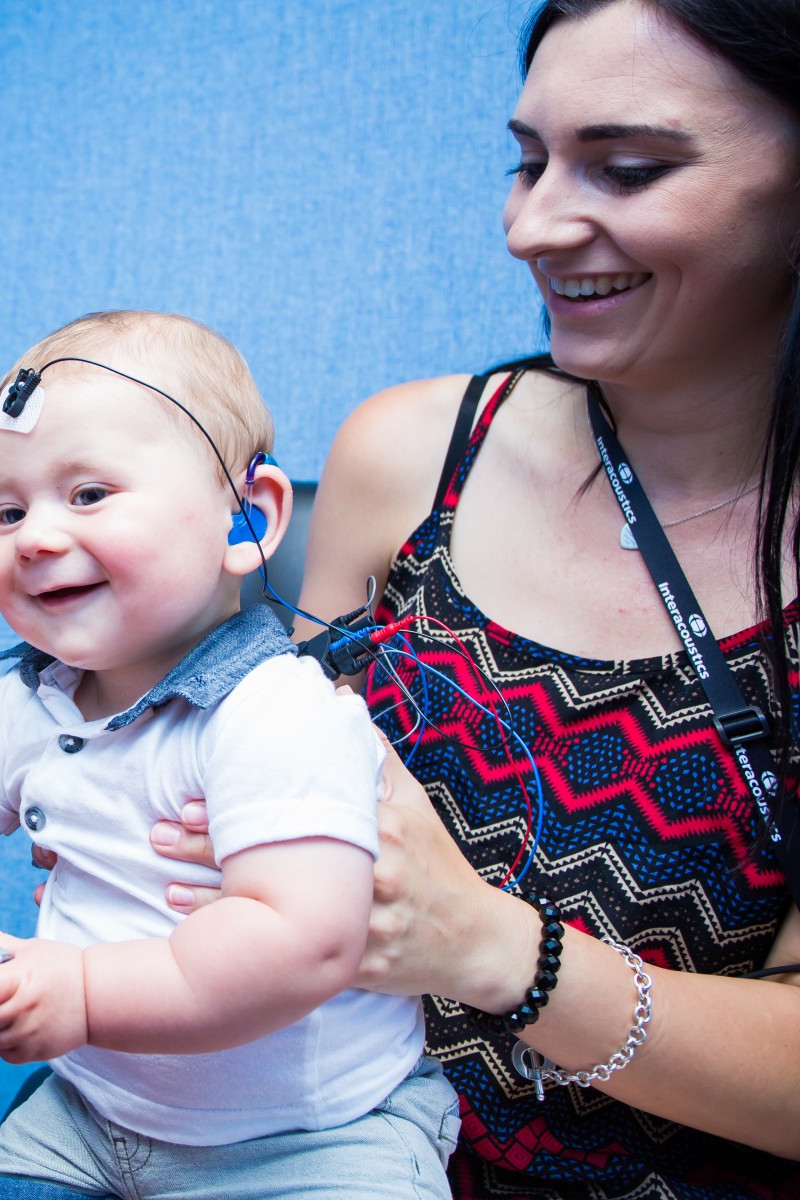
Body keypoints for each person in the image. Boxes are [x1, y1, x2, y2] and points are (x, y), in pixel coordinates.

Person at [142, 2, 800, 1195]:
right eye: (528, 160)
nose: (533, 224)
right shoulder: (405, 457)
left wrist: (503, 953)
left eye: (629, 166)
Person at [0, 311, 461, 1199]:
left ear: (243, 520)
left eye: (90, 495)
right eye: (7, 510)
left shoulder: (275, 714)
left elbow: (303, 942)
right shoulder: (34, 702)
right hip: (97, 1111)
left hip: (313, 1136)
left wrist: (87, 996)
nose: (35, 536)